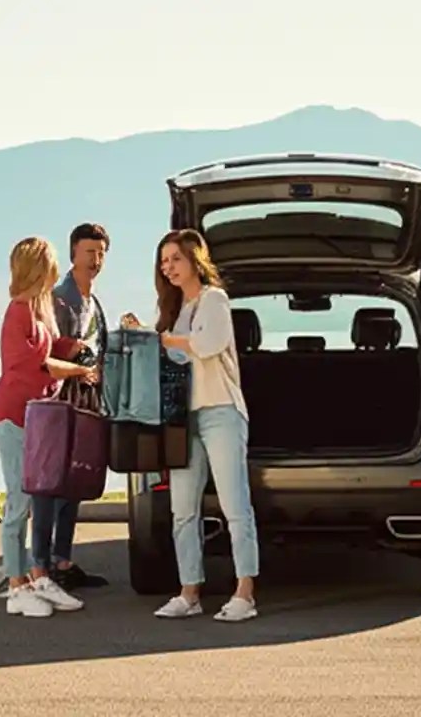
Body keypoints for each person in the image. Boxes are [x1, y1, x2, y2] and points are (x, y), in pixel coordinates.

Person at [122, 228, 260, 622]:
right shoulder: (175, 309)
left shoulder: (214, 300)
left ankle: (245, 594)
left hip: (221, 411)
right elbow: (171, 358)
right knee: (182, 510)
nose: (168, 267)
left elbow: (206, 345)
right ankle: (189, 593)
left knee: (235, 506)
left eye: (175, 259)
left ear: (194, 260)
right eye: (163, 262)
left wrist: (162, 339)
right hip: (183, 419)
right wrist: (145, 336)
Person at [0, 235, 96, 618]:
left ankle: (36, 578)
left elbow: (50, 348)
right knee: (19, 503)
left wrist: (74, 347)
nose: (55, 273)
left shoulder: (36, 311)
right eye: (50, 266)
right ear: (39, 269)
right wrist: (81, 371)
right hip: (12, 417)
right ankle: (16, 587)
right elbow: (42, 365)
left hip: (33, 418)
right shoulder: (18, 312)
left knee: (36, 497)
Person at [37, 222, 112, 591]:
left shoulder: (93, 302)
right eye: (89, 252)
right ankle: (45, 564)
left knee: (75, 481)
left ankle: (62, 559)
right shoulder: (59, 299)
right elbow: (47, 350)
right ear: (73, 254)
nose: (95, 260)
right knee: (54, 481)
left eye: (100, 253)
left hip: (86, 400)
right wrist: (78, 357)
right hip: (60, 400)